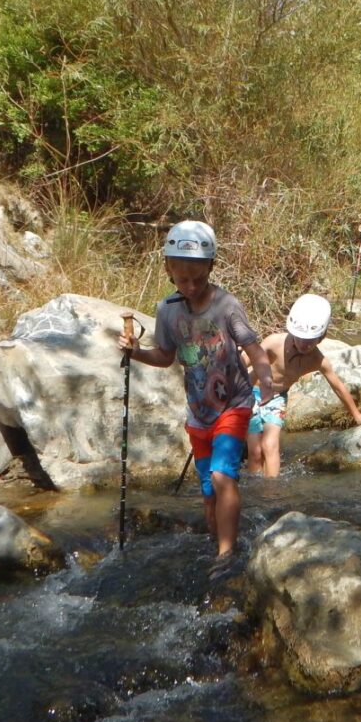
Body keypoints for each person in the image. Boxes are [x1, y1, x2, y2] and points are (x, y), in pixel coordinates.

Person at [116, 220, 276, 579]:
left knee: (222, 476)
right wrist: (136, 352)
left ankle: (226, 554)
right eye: (182, 278)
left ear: (211, 268)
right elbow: (165, 356)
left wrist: (264, 379)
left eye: (198, 278)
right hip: (198, 413)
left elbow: (254, 348)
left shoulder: (226, 306)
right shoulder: (167, 311)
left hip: (233, 404)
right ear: (168, 269)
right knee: (207, 493)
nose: (190, 286)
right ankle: (215, 543)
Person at [244, 294, 361, 477]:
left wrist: (357, 415)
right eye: (300, 338)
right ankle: (255, 493)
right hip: (251, 392)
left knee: (270, 445)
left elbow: (338, 387)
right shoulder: (274, 342)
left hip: (277, 398)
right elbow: (246, 360)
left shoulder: (318, 360)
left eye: (310, 341)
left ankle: (270, 493)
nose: (303, 344)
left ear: (322, 336)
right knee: (254, 451)